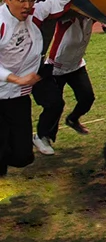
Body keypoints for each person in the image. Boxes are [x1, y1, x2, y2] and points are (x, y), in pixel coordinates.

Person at [0, 0, 72, 175]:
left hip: (19, 96)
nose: (27, 5)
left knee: (23, 158)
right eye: (21, 0)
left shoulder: (35, 14)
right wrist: (15, 78)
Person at [35, 10, 95, 143]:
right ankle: (45, 136)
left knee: (87, 97)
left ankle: (72, 119)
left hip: (76, 66)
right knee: (55, 105)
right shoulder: (66, 19)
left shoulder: (90, 19)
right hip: (57, 68)